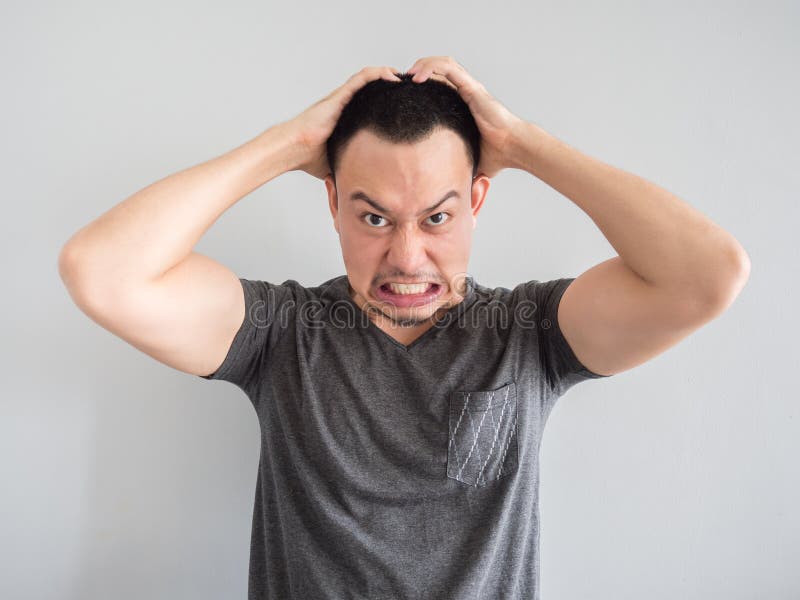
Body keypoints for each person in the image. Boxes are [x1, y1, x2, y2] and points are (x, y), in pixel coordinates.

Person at [58, 56, 750, 599]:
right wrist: (290, 144)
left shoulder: (531, 332)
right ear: (332, 202)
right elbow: (100, 270)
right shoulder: (279, 332)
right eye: (374, 217)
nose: (407, 257)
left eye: (438, 218)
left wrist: (523, 144)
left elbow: (709, 274)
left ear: (478, 200)